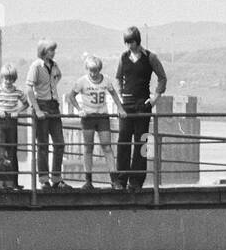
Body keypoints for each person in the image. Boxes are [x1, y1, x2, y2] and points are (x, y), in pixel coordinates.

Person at [115, 26, 167, 191]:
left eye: (132, 42)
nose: (129, 46)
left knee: (142, 142)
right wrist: (120, 96)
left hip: (143, 105)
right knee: (123, 141)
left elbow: (162, 78)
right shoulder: (123, 58)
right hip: (127, 105)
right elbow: (118, 78)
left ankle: (137, 180)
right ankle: (121, 179)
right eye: (127, 42)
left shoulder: (150, 57)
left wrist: (154, 99)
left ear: (138, 41)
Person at [69, 55, 123, 190]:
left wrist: (120, 108)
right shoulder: (82, 81)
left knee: (107, 147)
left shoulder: (106, 80)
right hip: (88, 118)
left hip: (102, 116)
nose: (93, 74)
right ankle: (88, 181)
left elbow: (114, 94)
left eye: (96, 71)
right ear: (87, 69)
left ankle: (114, 180)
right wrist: (79, 109)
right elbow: (71, 96)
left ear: (100, 69)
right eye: (91, 71)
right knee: (88, 148)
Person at [27, 39, 66, 189]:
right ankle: (44, 180)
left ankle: (56, 178)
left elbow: (58, 76)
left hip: (53, 105)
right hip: (42, 104)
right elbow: (29, 88)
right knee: (42, 145)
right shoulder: (36, 66)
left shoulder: (54, 65)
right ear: (43, 51)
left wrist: (52, 88)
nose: (53, 52)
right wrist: (36, 109)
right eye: (51, 50)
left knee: (59, 143)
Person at [0, 64, 30, 190]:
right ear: (2, 78)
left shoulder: (18, 92)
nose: (8, 82)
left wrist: (18, 111)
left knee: (11, 152)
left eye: (10, 79)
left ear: (14, 79)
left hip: (11, 121)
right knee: (0, 152)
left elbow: (26, 104)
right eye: (6, 79)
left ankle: (10, 182)